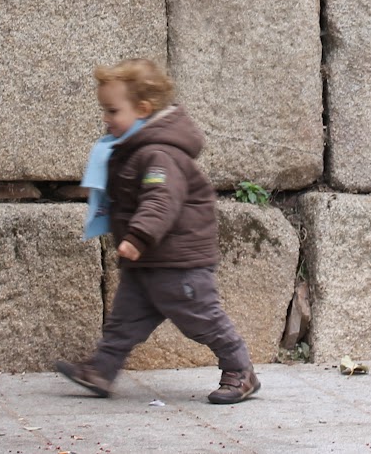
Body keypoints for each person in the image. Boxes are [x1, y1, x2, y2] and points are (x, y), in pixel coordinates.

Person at [54, 58, 259, 405]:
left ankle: (241, 370)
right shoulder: (133, 150)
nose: (105, 118)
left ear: (143, 109)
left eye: (112, 111)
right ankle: (102, 370)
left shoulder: (159, 154)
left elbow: (161, 200)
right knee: (123, 322)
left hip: (179, 262)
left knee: (202, 319)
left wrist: (138, 237)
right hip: (147, 262)